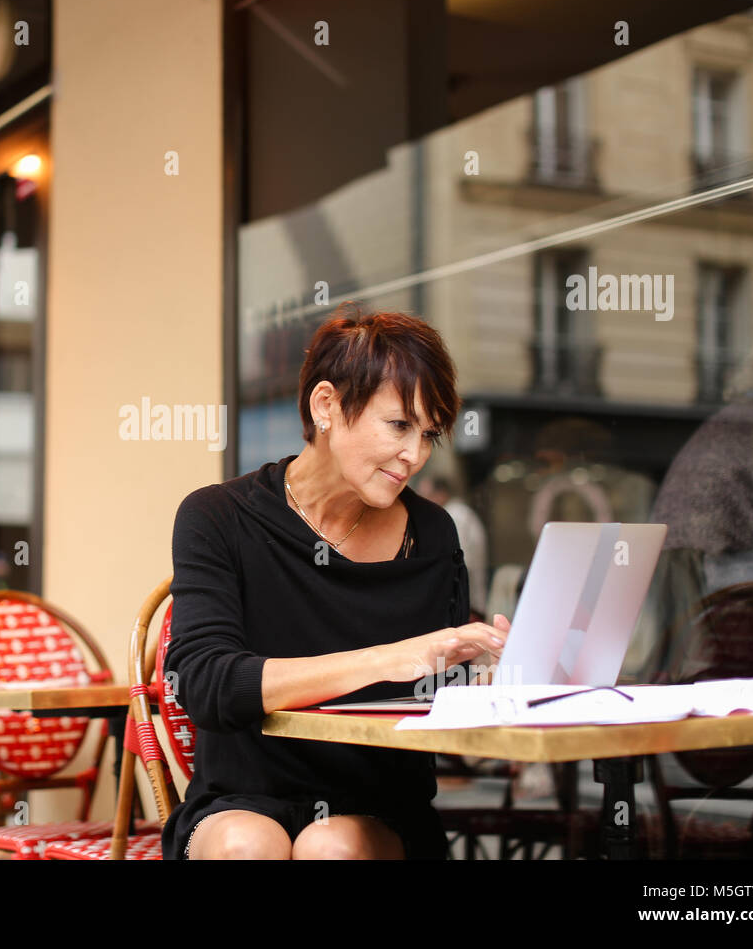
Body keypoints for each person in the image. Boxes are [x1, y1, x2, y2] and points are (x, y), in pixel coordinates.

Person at [163, 306, 509, 860]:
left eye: (428, 435)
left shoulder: (431, 534)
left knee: (334, 847)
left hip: (380, 806)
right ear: (325, 405)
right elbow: (204, 684)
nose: (414, 456)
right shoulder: (218, 517)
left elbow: (437, 703)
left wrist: (490, 679)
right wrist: (391, 660)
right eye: (399, 425)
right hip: (243, 797)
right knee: (245, 845)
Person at [424, 477, 488, 622]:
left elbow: (457, 560)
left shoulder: (454, 515)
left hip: (467, 604)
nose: (424, 500)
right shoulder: (457, 512)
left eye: (427, 494)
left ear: (441, 494)